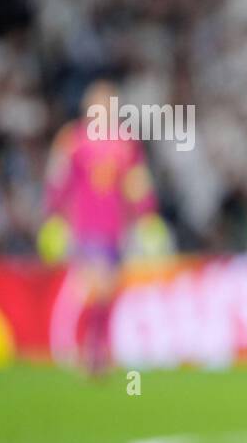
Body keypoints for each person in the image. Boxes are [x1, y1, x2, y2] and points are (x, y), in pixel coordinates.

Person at [40, 80, 163, 375]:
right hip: (85, 227)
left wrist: (147, 217)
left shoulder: (125, 143)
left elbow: (137, 185)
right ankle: (92, 349)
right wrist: (54, 217)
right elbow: (58, 181)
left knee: (107, 291)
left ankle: (96, 347)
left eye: (109, 103)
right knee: (97, 285)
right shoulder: (72, 140)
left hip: (115, 230)